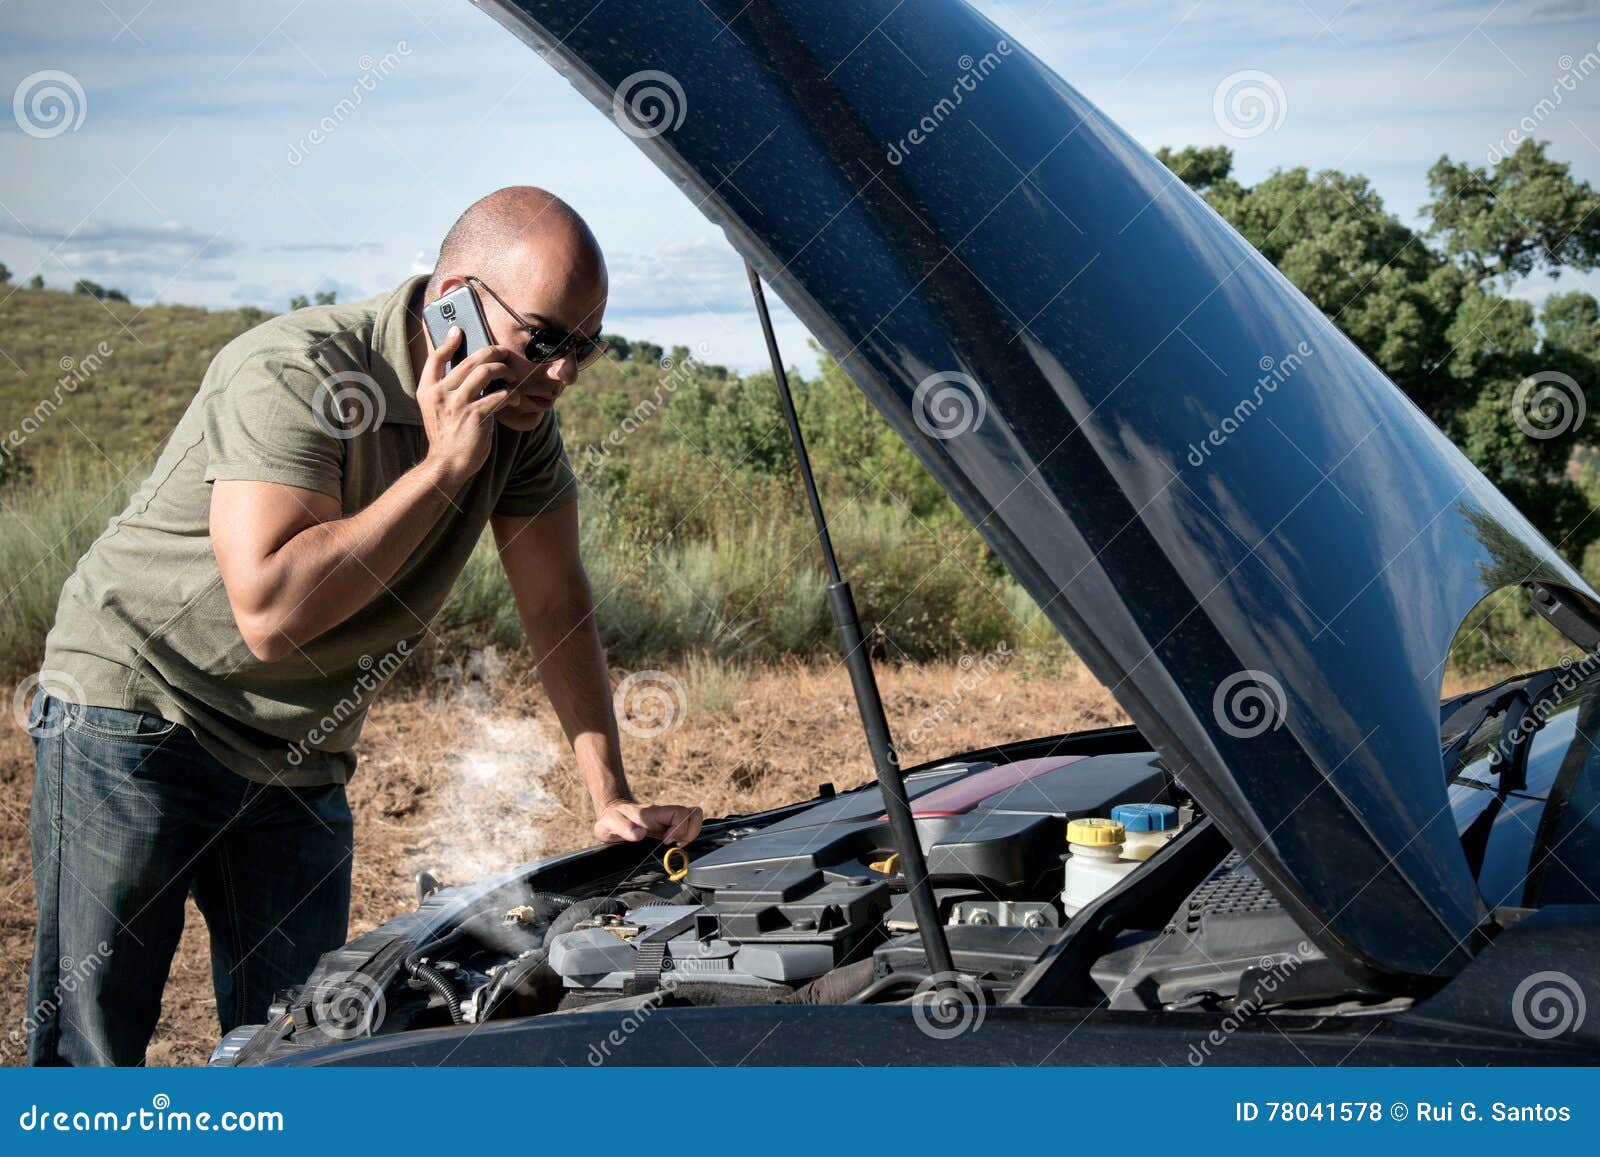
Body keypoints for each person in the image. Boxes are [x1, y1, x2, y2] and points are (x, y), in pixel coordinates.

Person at [26, 187, 703, 1066]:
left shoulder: (521, 418)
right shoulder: (296, 369)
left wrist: (607, 792)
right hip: (139, 707)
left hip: (299, 754)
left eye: (586, 346)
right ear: (454, 296)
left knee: (310, 1043)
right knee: (92, 1045)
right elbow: (272, 612)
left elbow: (555, 604)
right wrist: (445, 464)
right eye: (544, 338)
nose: (565, 373)